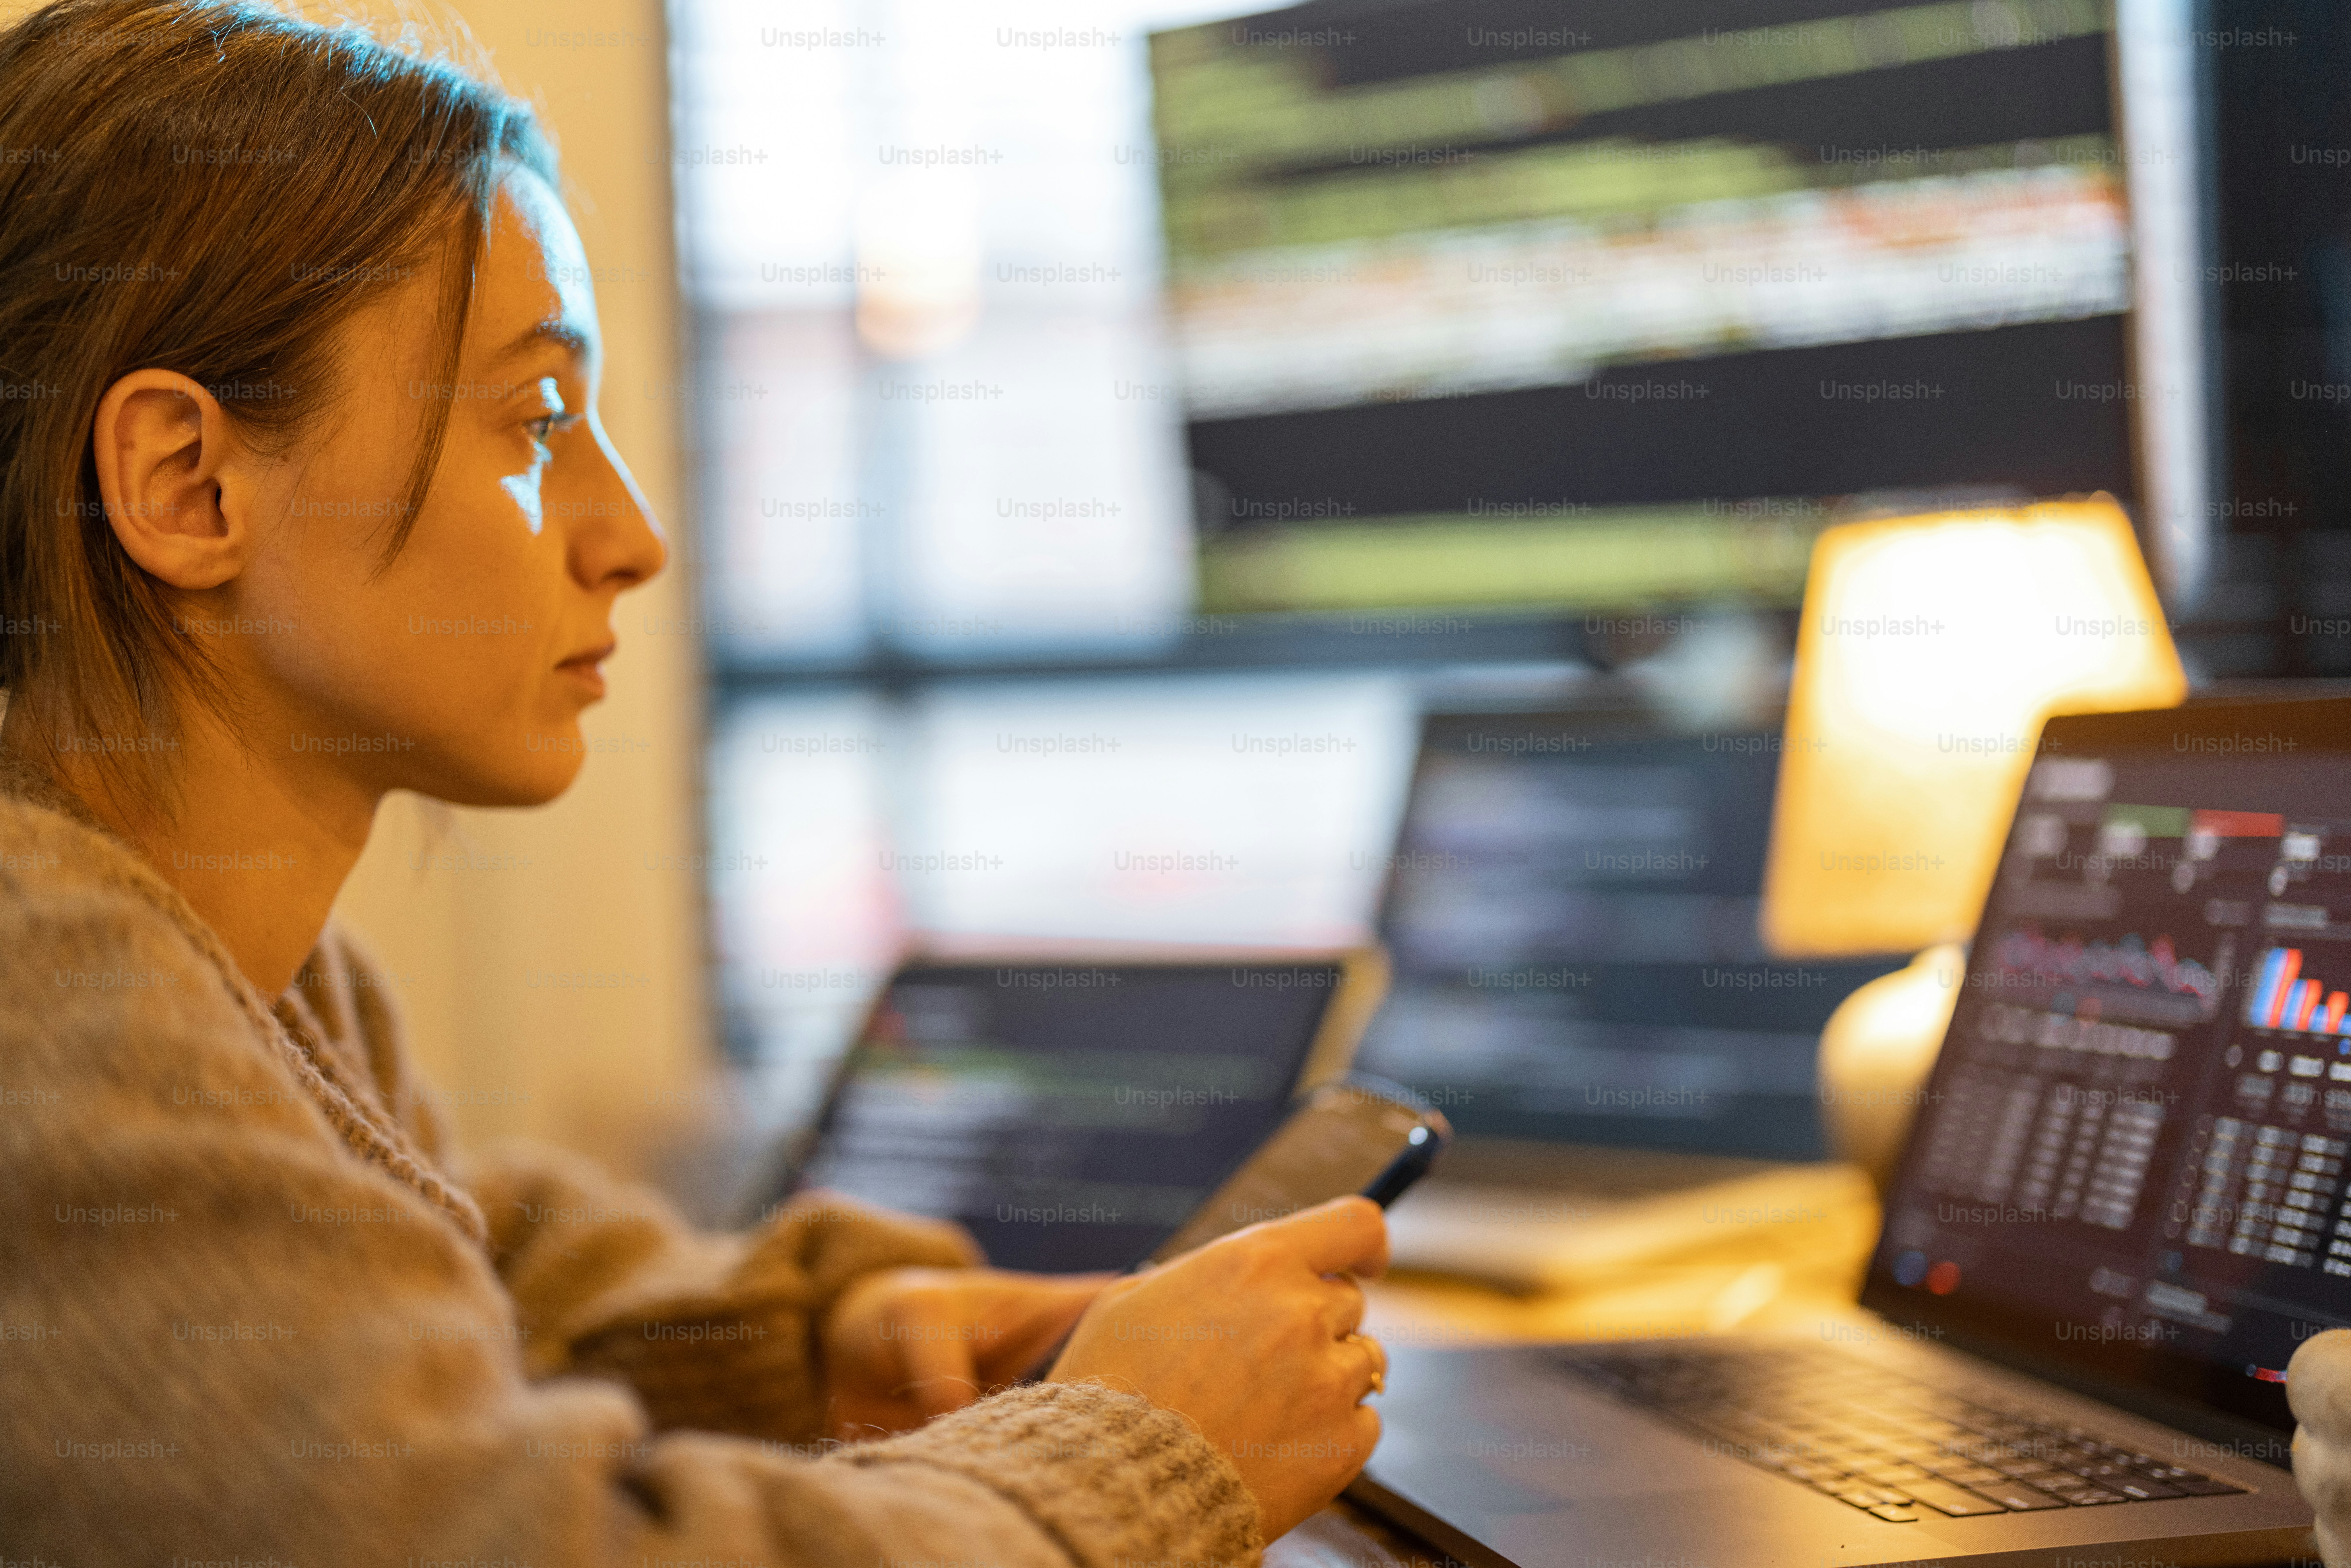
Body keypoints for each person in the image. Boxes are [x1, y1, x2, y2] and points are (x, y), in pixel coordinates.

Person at [0, 0, 1391, 1560]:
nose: (635, 536)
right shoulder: (48, 981)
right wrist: (1143, 1445)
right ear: (188, 484)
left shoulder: (255, 980)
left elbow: (453, 1265)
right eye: (538, 416)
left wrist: (815, 1335)